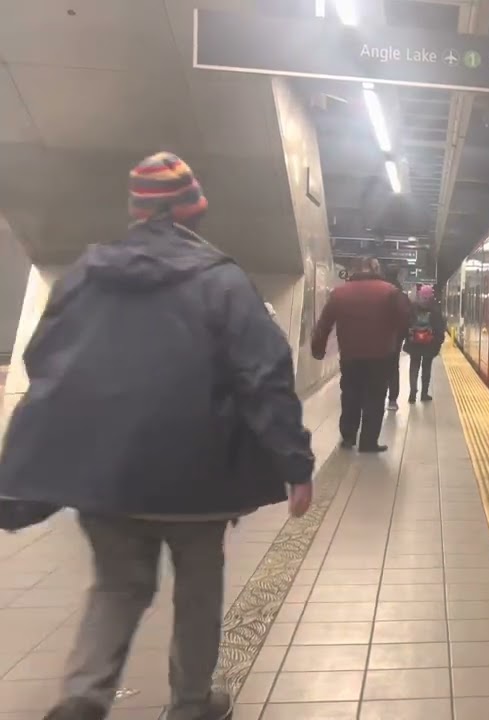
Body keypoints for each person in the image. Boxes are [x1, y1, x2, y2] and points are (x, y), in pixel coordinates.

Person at [0, 151, 316, 720]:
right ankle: (191, 703)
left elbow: (44, 358)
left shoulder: (84, 276)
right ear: (192, 210)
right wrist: (295, 464)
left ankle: (82, 697)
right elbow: (264, 377)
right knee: (198, 588)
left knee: (116, 586)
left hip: (105, 474)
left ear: (137, 210)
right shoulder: (223, 281)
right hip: (198, 474)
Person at [311, 256, 409, 453]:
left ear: (354, 270)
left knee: (350, 395)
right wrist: (395, 341)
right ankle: (368, 442)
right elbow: (405, 320)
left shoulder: (339, 293)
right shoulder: (390, 292)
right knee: (375, 397)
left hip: (350, 356)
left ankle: (348, 437)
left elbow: (323, 325)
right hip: (380, 356)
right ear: (376, 269)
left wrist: (318, 348)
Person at [404, 285, 447, 403]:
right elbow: (440, 326)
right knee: (426, 369)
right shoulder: (435, 308)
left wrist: (408, 337)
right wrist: (439, 340)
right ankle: (424, 394)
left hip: (414, 344)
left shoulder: (412, 307)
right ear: (431, 295)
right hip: (429, 344)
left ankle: (412, 394)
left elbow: (406, 323)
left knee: (414, 368)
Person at [383, 270, 408, 412]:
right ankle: (392, 400)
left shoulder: (379, 294)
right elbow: (407, 318)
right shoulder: (401, 297)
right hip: (395, 340)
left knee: (377, 368)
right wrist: (402, 336)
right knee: (393, 369)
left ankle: (378, 396)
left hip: (378, 339)